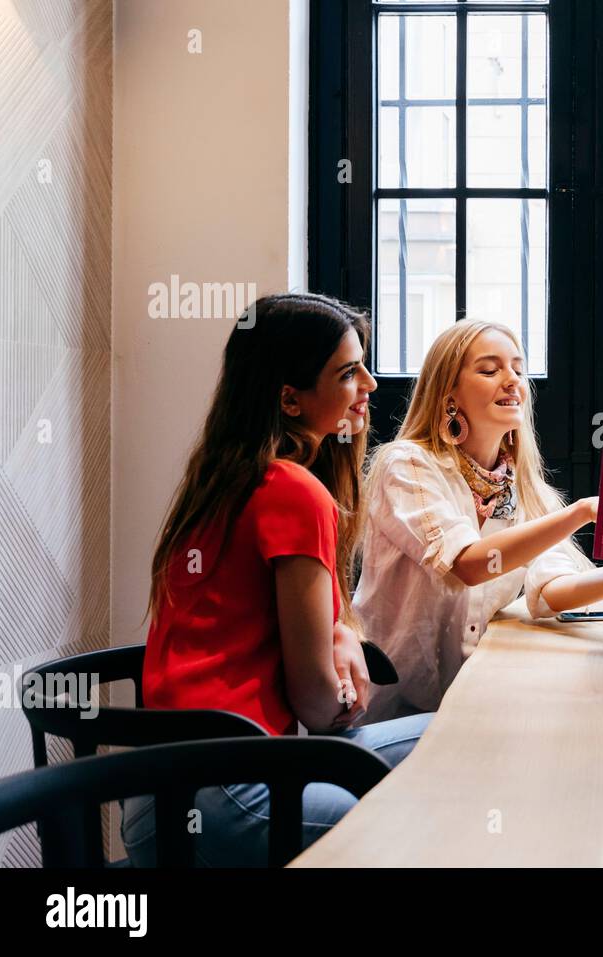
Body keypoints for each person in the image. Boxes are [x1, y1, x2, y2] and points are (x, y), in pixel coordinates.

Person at [122, 293, 431, 866]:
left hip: (155, 799)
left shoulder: (221, 478)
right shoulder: (294, 492)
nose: (370, 384)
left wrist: (338, 630)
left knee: (452, 739)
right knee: (446, 804)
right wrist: (346, 694)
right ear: (290, 399)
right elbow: (316, 707)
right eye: (347, 372)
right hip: (231, 797)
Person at [355, 319, 603, 720]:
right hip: (393, 709)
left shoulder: (529, 492)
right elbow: (469, 564)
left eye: (518, 370)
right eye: (489, 370)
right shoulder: (408, 467)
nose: (512, 381)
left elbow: (549, 591)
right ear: (449, 396)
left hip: (472, 701)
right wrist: (583, 512)